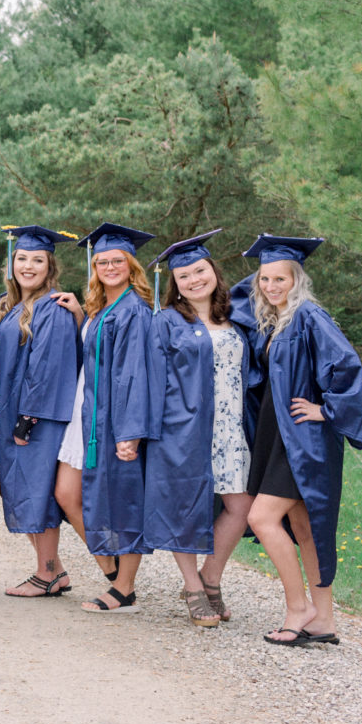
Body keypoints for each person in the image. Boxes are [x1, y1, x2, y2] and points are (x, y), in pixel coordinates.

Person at [236, 234, 362, 646]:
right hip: (280, 436)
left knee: (261, 518)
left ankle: (299, 608)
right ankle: (324, 619)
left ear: (298, 280)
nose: (271, 287)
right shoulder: (278, 320)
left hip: (304, 438)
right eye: (264, 279)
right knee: (303, 526)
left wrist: (325, 410)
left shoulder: (310, 316)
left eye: (281, 279)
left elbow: (347, 365)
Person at [144, 230, 252, 627]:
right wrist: (144, 432)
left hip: (229, 429)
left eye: (200, 271)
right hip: (183, 429)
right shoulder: (167, 322)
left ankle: (211, 576)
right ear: (175, 284)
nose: (193, 280)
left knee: (241, 506)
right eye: (184, 276)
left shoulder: (235, 318)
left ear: (214, 272)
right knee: (183, 508)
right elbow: (152, 380)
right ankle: (192, 587)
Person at [68, 222, 160, 615]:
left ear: (131, 265)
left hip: (118, 422)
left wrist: (131, 432)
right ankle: (117, 578)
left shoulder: (135, 311)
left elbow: (135, 375)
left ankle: (123, 589)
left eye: (117, 260)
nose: (109, 266)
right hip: (95, 418)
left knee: (124, 500)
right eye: (101, 261)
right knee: (82, 495)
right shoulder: (103, 308)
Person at [0, 225, 80, 599]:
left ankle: (46, 573)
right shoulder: (11, 306)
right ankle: (53, 571)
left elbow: (47, 368)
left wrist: (28, 419)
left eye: (37, 260)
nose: (28, 266)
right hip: (14, 414)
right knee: (24, 489)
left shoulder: (53, 307)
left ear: (49, 266)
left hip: (34, 419)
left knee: (36, 492)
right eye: (22, 258)